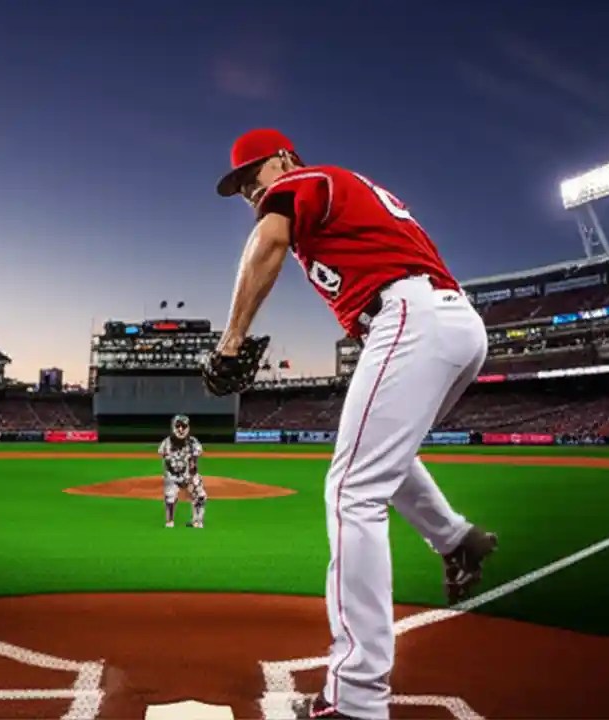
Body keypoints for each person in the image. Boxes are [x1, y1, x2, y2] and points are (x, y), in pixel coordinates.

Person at [207, 129, 498, 719]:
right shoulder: (343, 190)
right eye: (239, 186)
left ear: (283, 158)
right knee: (379, 460)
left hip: (410, 316)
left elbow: (268, 241)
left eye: (250, 176)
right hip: (451, 324)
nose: (248, 192)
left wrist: (231, 338)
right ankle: (457, 540)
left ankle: (356, 698)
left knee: (352, 491)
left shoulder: (303, 180)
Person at [157, 414, 207, 528]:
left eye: (183, 426)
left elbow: (194, 464)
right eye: (178, 425)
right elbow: (166, 464)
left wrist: (189, 480)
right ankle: (169, 521)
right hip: (172, 475)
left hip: (189, 474)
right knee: (170, 495)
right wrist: (173, 478)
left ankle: (197, 521)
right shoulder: (166, 443)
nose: (181, 429)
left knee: (201, 495)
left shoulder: (193, 443)